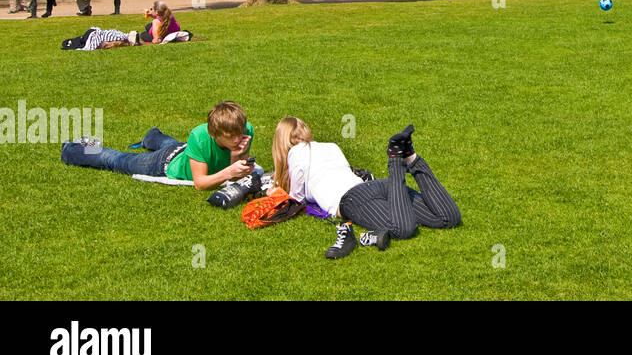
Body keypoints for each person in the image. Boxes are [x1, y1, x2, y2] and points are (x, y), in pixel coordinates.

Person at [271, 119, 460, 259]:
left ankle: (395, 159)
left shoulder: (295, 152)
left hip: (354, 199)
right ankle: (411, 158)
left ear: (281, 143)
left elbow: (297, 197)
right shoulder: (330, 146)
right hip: (378, 185)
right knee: (448, 218)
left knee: (402, 229)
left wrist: (274, 190)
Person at [61, 100, 255, 192]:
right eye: (232, 137)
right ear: (215, 135)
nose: (240, 139)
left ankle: (152, 136)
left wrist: (236, 156)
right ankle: (72, 148)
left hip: (181, 149)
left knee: (171, 144)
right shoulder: (200, 136)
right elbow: (200, 183)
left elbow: (238, 174)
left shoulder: (245, 131)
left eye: (241, 134)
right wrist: (230, 171)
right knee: (118, 159)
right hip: (165, 163)